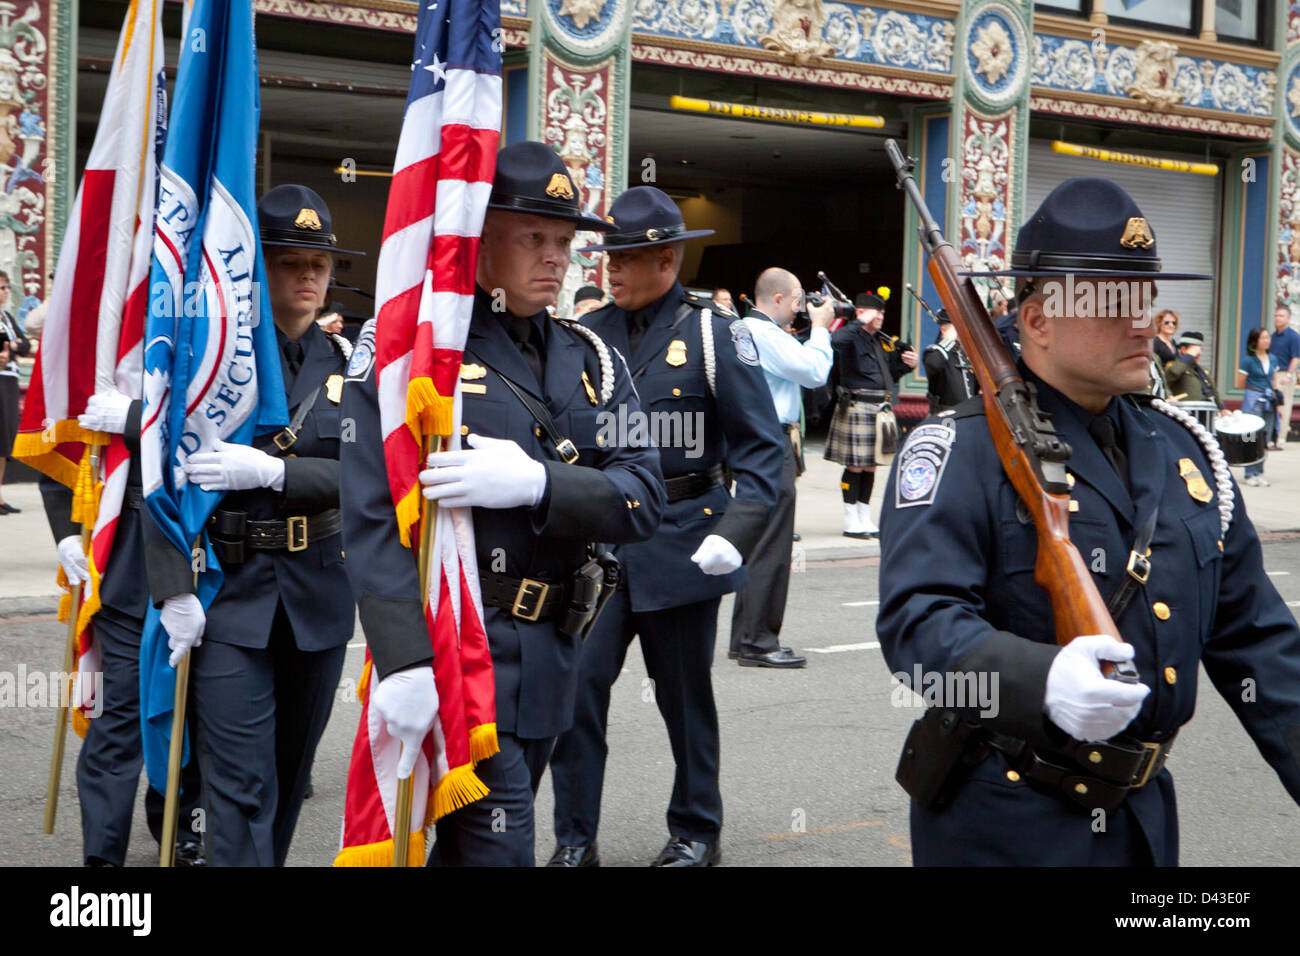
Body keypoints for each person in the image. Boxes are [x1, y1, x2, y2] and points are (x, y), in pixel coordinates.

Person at [877, 176, 1300, 866]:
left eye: (1146, 296)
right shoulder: (959, 449)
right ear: (1038, 321)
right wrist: (1039, 678)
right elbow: (917, 627)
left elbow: (1258, 642)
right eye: (1113, 301)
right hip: (1004, 825)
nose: (1145, 321)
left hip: (1142, 822)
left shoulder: (1182, 448)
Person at [341, 141, 664, 867]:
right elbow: (370, 514)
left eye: (564, 241)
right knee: (504, 848)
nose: (556, 258)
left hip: (556, 649)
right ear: (478, 237)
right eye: (532, 237)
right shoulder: (418, 353)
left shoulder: (595, 359)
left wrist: (541, 484)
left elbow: (644, 500)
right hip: (463, 653)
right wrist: (402, 660)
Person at [546, 185, 785, 867]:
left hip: (685, 540)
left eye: (629, 256)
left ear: (669, 258)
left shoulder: (715, 334)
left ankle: (695, 832)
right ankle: (573, 839)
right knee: (579, 694)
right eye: (608, 255)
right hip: (602, 542)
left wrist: (733, 533)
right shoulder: (588, 337)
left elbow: (763, 451)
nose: (612, 269)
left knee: (684, 700)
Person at [150, 184, 360, 866]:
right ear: (254, 269)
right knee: (239, 789)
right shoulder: (211, 366)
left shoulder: (354, 370)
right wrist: (169, 586)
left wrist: (279, 475)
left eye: (319, 264)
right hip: (230, 596)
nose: (307, 276)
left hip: (319, 597)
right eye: (289, 261)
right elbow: (160, 474)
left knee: (291, 779)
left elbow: (376, 478)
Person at [40, 396, 206, 866]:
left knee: (195, 709)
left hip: (207, 547)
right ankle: (102, 855)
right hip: (126, 552)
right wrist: (67, 529)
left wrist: (138, 418)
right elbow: (64, 425)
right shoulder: (113, 336)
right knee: (121, 712)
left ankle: (186, 832)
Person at [728, 266, 834, 669]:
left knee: (759, 540)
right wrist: (822, 328)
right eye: (795, 301)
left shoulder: (749, 330)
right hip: (771, 440)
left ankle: (746, 637)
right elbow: (813, 372)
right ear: (776, 299)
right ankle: (759, 642)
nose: (799, 308)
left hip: (760, 440)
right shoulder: (764, 333)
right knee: (773, 542)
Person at [825, 287, 918, 538]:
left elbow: (887, 376)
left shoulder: (878, 341)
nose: (880, 318)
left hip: (879, 409)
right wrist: (858, 323)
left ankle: (864, 515)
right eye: (876, 313)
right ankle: (850, 517)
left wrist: (907, 366)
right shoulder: (851, 336)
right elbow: (834, 341)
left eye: (882, 313)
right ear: (862, 312)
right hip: (857, 406)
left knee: (871, 466)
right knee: (855, 466)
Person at [0, 273, 30, 514]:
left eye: (6, 287)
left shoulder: (7, 317)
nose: (4, 292)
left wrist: (13, 347)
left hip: (9, 378)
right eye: (1, 287)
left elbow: (25, 344)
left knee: (5, 437)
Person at [1236, 326, 1279, 487]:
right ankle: (1249, 473)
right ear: (1254, 341)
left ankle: (1260, 471)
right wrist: (1256, 389)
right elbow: (1240, 383)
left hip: (1269, 401)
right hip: (1253, 400)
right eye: (1263, 338)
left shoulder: (1273, 359)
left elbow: (1274, 381)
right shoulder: (1248, 361)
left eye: (1268, 337)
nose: (1266, 341)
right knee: (1251, 437)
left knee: (1265, 438)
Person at [922, 308, 978, 413]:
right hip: (947, 418)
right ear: (944, 330)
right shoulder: (934, 352)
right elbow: (933, 364)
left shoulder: (964, 355)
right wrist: (948, 340)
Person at [1163, 330, 1221, 407]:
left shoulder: (1203, 370)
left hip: (1205, 412)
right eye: (1195, 350)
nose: (1199, 353)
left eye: (1200, 349)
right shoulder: (1173, 366)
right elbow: (1173, 373)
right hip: (1185, 413)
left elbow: (1213, 391)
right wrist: (1189, 356)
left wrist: (1222, 408)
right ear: (1183, 349)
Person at [1270, 303, 1300, 447]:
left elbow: (1296, 358)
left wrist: (1288, 374)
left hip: (1284, 374)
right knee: (1271, 406)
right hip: (1272, 374)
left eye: (1281, 316)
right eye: (1276, 316)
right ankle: (1271, 435)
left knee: (1284, 405)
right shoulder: (1272, 337)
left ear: (1288, 319)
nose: (1277, 318)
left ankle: (1280, 438)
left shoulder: (1293, 337)